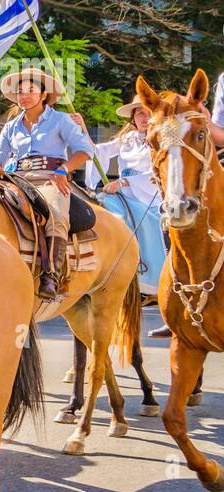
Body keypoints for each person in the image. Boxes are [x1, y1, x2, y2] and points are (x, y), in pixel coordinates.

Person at [0, 69, 94, 300]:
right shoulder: (11, 126)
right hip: (16, 178)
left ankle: (51, 275)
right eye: (20, 92)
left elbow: (85, 150)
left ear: (44, 95)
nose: (24, 96)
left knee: (56, 213)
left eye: (31, 91)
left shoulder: (60, 120)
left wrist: (64, 169)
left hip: (50, 177)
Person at [81, 100, 172, 333]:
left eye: (148, 113)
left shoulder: (161, 139)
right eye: (139, 113)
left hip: (146, 195)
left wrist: (123, 181)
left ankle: (125, 264)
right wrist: (82, 128)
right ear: (133, 117)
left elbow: (156, 172)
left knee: (115, 214)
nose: (143, 117)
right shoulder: (126, 139)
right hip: (122, 193)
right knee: (98, 206)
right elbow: (98, 152)